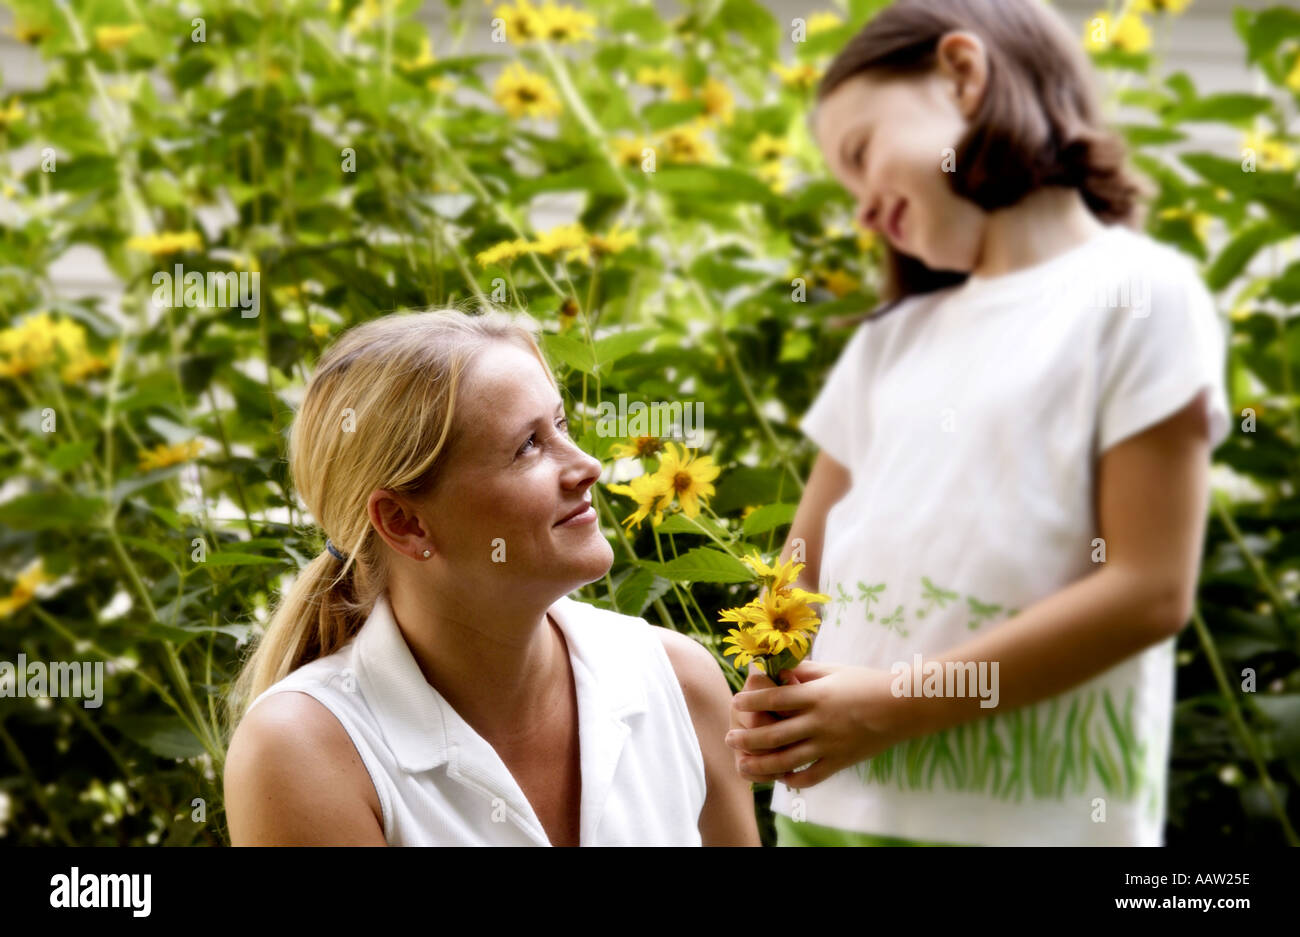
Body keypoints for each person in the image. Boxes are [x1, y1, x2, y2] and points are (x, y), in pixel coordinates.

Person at [726, 0, 1230, 846]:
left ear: (962, 75)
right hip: (833, 810)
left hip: (1030, 823)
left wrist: (888, 707)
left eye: (861, 155)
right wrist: (767, 684)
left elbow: (1148, 589)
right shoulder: (890, 342)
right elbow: (801, 563)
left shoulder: (1140, 293)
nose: (859, 210)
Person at [223, 308, 760, 846]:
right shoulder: (303, 752)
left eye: (562, 425)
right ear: (404, 523)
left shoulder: (679, 682)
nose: (587, 466)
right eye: (527, 445)